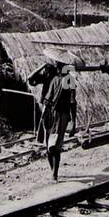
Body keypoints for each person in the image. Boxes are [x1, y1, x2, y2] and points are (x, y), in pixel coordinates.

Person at [29, 49, 79, 179]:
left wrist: (74, 122)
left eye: (60, 63)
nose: (57, 64)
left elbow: (73, 102)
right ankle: (53, 171)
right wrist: (43, 66)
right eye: (57, 62)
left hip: (61, 113)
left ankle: (55, 173)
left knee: (55, 146)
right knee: (48, 146)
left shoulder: (69, 80)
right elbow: (31, 79)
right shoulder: (51, 76)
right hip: (48, 111)